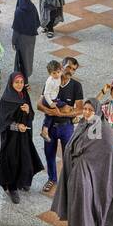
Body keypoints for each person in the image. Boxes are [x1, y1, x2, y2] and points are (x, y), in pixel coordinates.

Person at [50, 100, 113, 226]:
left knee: (99, 201)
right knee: (83, 198)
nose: (86, 112)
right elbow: (76, 143)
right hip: (82, 171)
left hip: (100, 176)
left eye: (90, 110)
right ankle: (87, 224)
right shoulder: (84, 124)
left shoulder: (103, 129)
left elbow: (110, 153)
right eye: (84, 109)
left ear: (97, 112)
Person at [0, 72, 44, 203]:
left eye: (21, 82)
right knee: (12, 162)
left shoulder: (24, 95)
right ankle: (12, 188)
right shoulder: (6, 100)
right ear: (11, 83)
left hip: (24, 137)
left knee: (25, 159)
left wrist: (28, 110)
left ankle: (23, 181)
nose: (19, 85)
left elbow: (32, 116)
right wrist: (17, 127)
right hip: (11, 139)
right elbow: (4, 122)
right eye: (16, 82)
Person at [39, 59, 82, 192]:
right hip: (51, 126)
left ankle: (67, 181)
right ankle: (52, 179)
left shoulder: (76, 86)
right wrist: (53, 111)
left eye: (74, 69)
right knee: (49, 153)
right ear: (61, 66)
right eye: (69, 67)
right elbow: (39, 104)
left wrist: (64, 114)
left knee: (68, 155)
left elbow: (80, 109)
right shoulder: (51, 81)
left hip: (67, 127)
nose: (71, 71)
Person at [11, 0, 40, 81]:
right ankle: (26, 74)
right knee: (29, 56)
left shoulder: (19, 11)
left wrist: (13, 41)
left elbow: (16, 29)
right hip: (31, 38)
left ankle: (21, 77)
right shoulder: (32, 7)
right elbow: (37, 23)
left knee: (20, 58)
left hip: (22, 39)